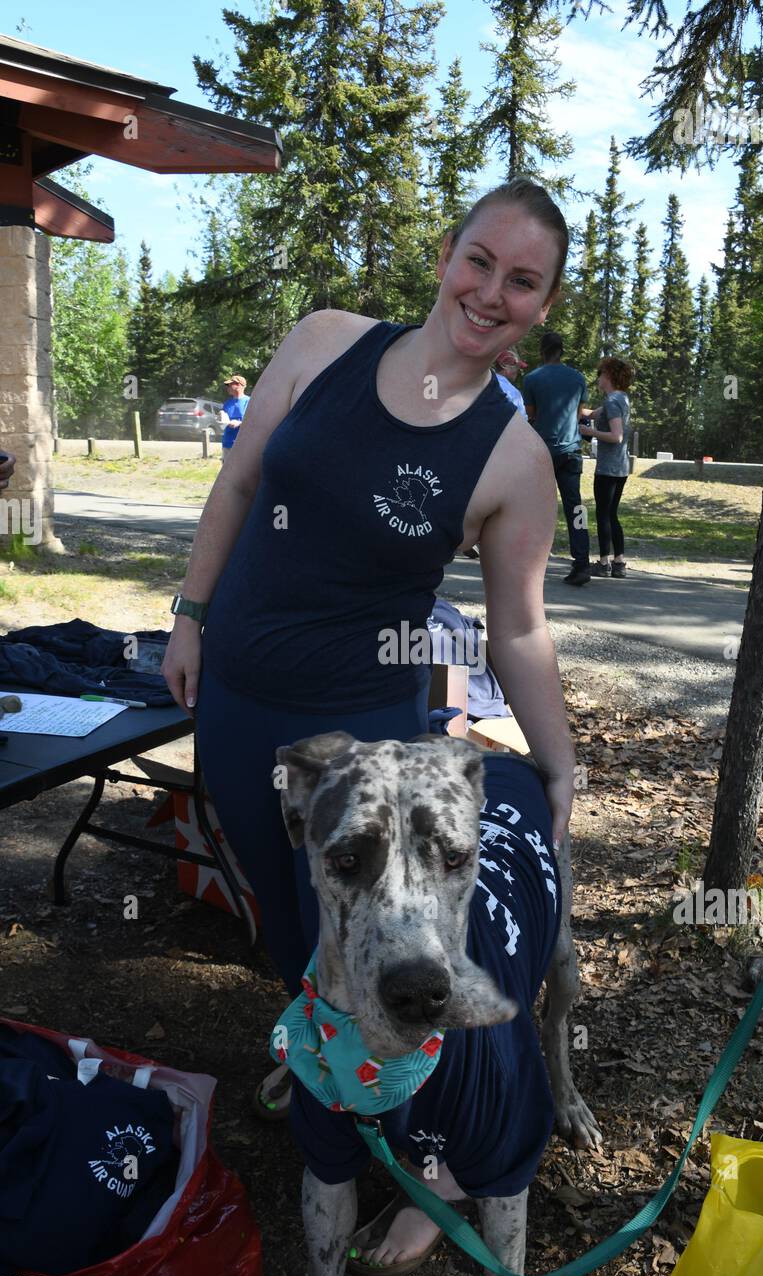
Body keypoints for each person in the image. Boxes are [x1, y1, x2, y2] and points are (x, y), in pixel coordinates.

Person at [162, 174, 576, 1047]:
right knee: (281, 909)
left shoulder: (514, 460)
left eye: (521, 281)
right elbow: (238, 482)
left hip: (361, 732)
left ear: (541, 305)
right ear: (445, 258)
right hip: (236, 700)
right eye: (480, 261)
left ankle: (377, 1122)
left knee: (368, 926)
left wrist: (558, 763)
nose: (490, 293)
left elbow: (518, 628)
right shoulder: (323, 344)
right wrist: (190, 615)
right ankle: (317, 1057)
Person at [521, 331, 592, 586]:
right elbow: (580, 413)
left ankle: (529, 563)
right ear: (562, 351)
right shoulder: (577, 378)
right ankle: (582, 563)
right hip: (571, 451)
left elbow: (531, 415)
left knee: (536, 508)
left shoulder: (532, 379)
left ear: (542, 351)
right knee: (576, 508)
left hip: (542, 452)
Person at [581, 357, 633, 577]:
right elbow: (592, 414)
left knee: (603, 514)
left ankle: (603, 563)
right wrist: (574, 407)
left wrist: (590, 433)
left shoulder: (612, 401)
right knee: (612, 514)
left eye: (600, 374)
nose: (598, 378)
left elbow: (616, 436)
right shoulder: (621, 398)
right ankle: (619, 562)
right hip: (621, 467)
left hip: (608, 468)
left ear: (609, 376)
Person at [218, 374, 250, 451]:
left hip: (244, 444)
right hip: (227, 444)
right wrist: (220, 417)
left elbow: (255, 421)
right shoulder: (227, 403)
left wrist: (239, 423)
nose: (227, 387)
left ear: (238, 385)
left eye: (230, 385)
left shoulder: (249, 402)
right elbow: (222, 423)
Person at [494, 347, 528, 417]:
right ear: (504, 366)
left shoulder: (484, 383)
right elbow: (522, 422)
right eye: (516, 366)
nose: (518, 370)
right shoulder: (512, 392)